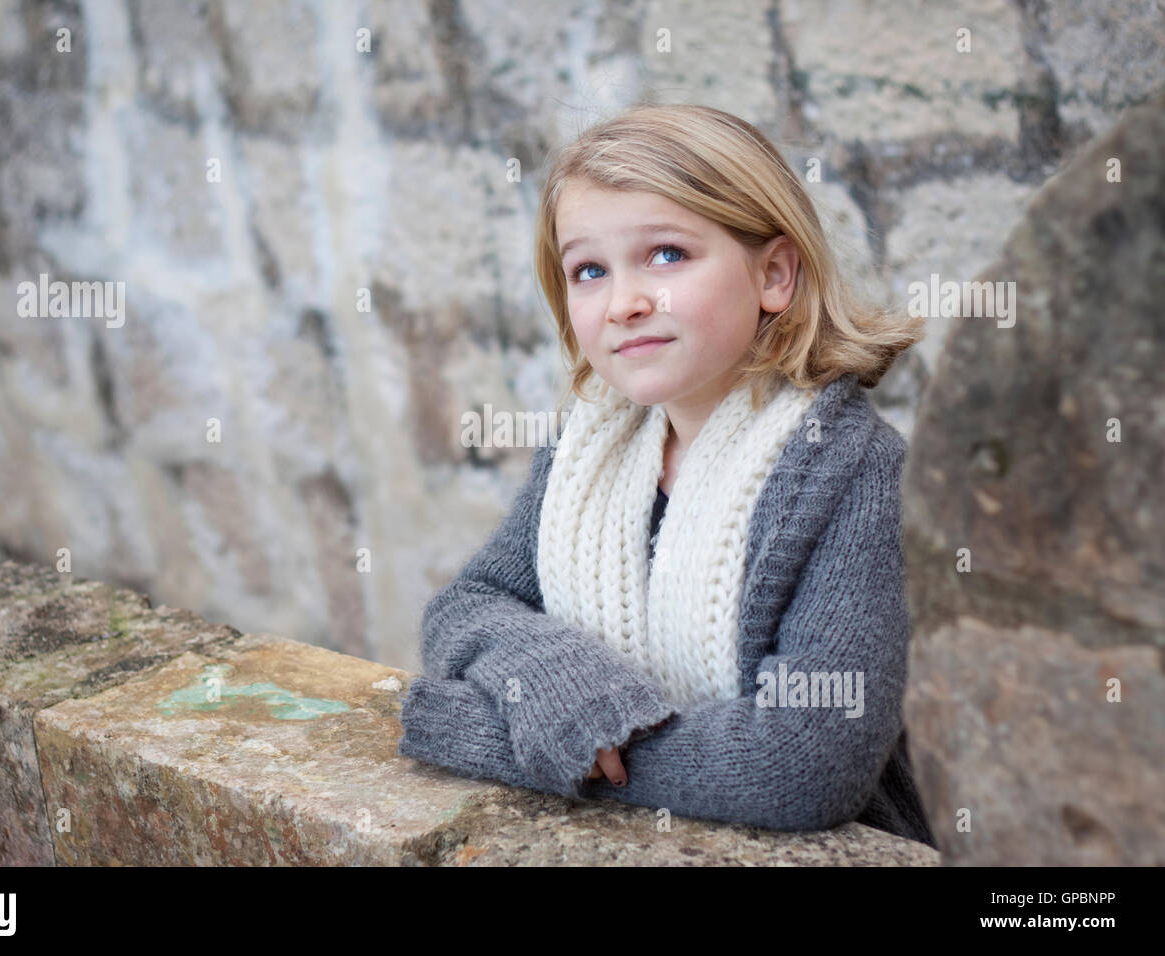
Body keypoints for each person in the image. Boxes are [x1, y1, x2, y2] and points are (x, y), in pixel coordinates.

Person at [396, 103, 935, 848]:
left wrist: (487, 734)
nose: (625, 302)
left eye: (666, 255)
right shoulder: (593, 448)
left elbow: (801, 763)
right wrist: (557, 682)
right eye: (589, 270)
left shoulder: (854, 474)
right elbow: (468, 605)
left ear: (774, 274)